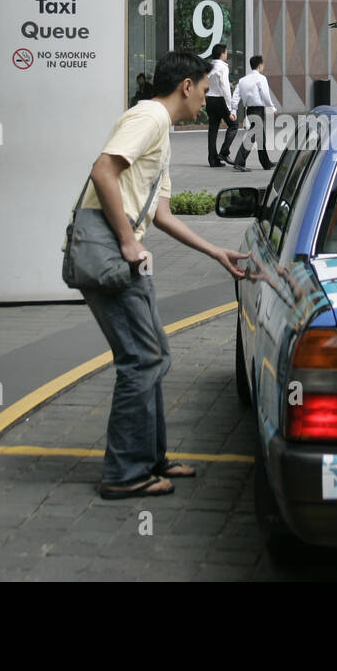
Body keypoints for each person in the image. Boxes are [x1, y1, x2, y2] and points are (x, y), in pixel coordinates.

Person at [82, 50, 249, 499]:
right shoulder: (151, 117)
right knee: (142, 359)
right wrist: (127, 241)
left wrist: (215, 251)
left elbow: (161, 214)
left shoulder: (162, 130)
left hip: (121, 256)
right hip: (110, 256)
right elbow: (103, 171)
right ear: (187, 86)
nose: (206, 102)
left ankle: (151, 459)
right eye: (206, 91)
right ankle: (124, 473)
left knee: (154, 353)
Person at [231, 55, 278, 171]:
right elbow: (265, 95)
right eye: (263, 65)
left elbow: (236, 95)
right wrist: (271, 107)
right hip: (258, 110)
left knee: (260, 137)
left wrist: (233, 109)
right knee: (253, 135)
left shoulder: (243, 80)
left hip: (250, 110)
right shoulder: (261, 79)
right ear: (260, 65)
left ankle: (266, 163)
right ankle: (239, 162)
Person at [204, 43, 239, 167]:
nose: (227, 54)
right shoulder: (223, 67)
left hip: (209, 99)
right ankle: (224, 152)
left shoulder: (209, 66)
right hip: (220, 100)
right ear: (221, 54)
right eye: (225, 52)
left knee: (213, 129)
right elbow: (225, 87)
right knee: (234, 125)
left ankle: (212, 160)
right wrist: (230, 108)